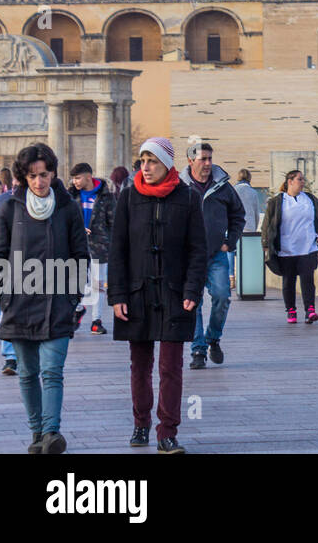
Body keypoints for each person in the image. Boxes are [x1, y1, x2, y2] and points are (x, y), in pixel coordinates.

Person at [110, 137, 207, 454]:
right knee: (139, 366)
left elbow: (197, 250)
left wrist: (193, 289)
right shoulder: (128, 198)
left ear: (166, 164)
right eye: (142, 161)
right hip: (137, 293)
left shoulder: (188, 198)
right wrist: (118, 294)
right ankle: (140, 424)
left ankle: (167, 431)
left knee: (171, 368)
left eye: (152, 161)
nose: (146, 167)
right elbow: (118, 250)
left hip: (174, 294)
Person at [0, 143, 91, 454]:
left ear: (53, 173)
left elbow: (80, 255)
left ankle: (51, 433)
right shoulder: (9, 208)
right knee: (27, 373)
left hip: (56, 304)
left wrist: (71, 297)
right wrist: (3, 297)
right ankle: (37, 434)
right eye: (33, 176)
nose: (39, 181)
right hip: (19, 304)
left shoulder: (67, 208)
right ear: (24, 176)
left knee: (52, 372)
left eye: (45, 174)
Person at [179, 141, 245, 370]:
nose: (207, 163)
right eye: (202, 159)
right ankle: (197, 350)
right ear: (190, 161)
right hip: (188, 257)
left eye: (209, 158)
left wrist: (230, 241)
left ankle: (213, 338)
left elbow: (238, 214)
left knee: (221, 296)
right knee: (192, 303)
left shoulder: (222, 186)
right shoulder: (180, 187)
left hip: (216, 253)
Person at [262, 171, 318, 325]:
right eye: (299, 179)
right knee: (289, 280)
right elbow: (267, 225)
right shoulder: (277, 202)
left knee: (307, 279)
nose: (302, 182)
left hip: (308, 248)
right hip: (286, 249)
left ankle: (310, 310)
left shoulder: (312, 201)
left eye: (303, 179)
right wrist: (266, 245)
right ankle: (291, 310)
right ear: (290, 181)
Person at [68, 162, 115, 335]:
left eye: (78, 178)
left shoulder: (105, 196)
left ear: (88, 176)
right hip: (76, 246)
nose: (75, 181)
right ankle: (78, 309)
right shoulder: (71, 196)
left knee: (98, 283)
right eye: (73, 178)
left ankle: (97, 320)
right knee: (76, 281)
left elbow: (114, 222)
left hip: (100, 246)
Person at [0, 186, 17, 375]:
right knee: (6, 309)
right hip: (9, 264)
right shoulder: (3, 201)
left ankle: (12, 357)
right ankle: (11, 357)